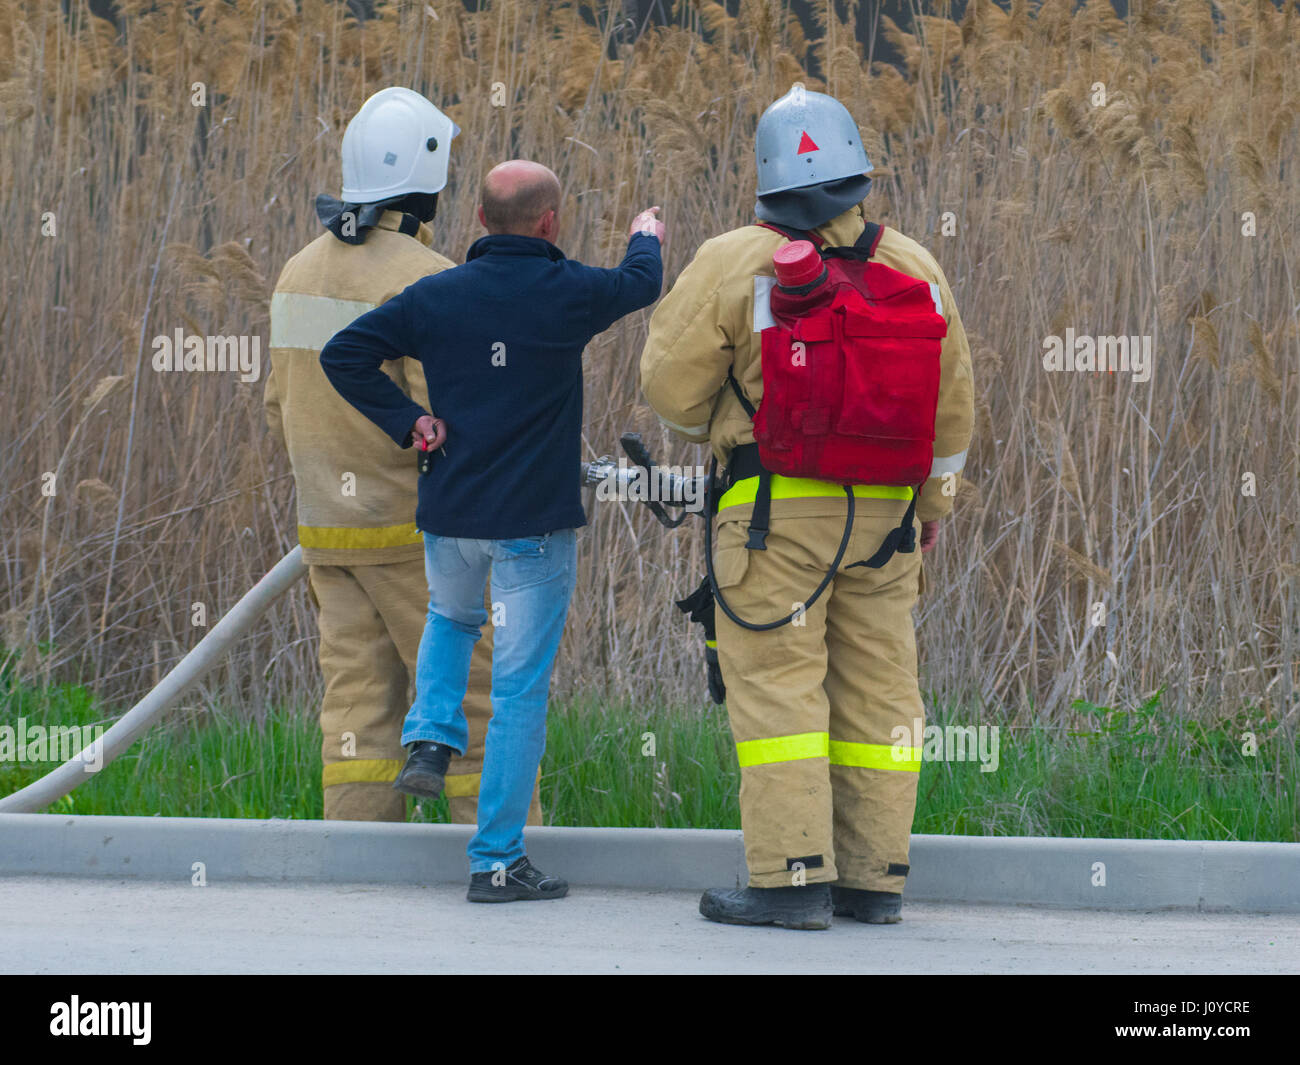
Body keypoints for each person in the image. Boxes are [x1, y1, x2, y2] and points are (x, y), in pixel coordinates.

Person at [640, 87, 974, 929]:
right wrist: (930, 503)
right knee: (880, 695)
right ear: (858, 172)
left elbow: (668, 389)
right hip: (889, 524)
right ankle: (874, 880)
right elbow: (954, 411)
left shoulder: (731, 259)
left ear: (767, 178)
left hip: (771, 517)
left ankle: (791, 882)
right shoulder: (915, 266)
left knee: (782, 694)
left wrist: (721, 422)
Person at [320, 160, 664, 901]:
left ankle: (432, 734)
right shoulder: (570, 291)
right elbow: (641, 283)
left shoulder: (437, 296)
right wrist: (646, 235)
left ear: (477, 219)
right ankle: (497, 861)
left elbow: (341, 353)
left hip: (450, 517)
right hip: (531, 529)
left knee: (450, 616)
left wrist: (409, 423)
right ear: (551, 222)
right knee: (516, 693)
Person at [265, 87, 541, 825]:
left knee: (356, 715)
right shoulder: (427, 277)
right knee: (475, 703)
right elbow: (456, 420)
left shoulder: (295, 272)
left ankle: (354, 881)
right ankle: (498, 858)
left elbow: (276, 403)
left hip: (329, 535)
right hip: (418, 539)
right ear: (427, 177)